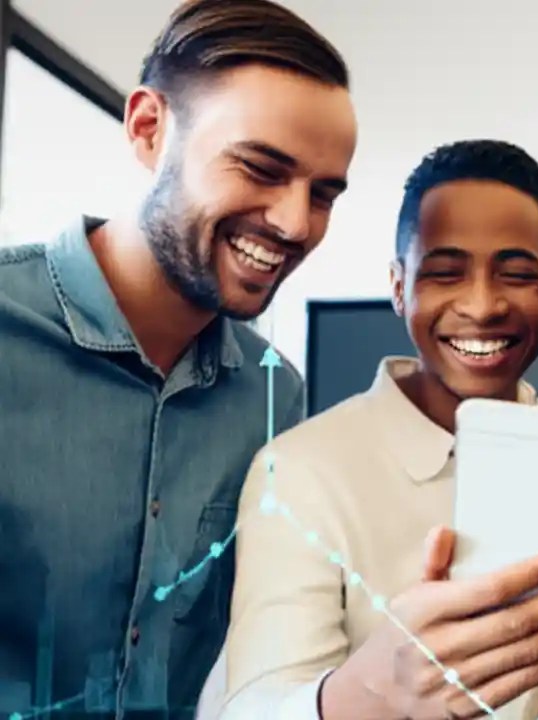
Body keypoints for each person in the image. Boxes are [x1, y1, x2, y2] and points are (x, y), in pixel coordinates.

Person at [0, 0, 355, 717]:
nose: (294, 223)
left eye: (323, 193)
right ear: (148, 129)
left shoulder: (276, 395)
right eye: (260, 167)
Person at [217, 139, 538, 720]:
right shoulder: (302, 470)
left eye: (515, 273)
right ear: (399, 286)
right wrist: (377, 686)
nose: (482, 306)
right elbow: (253, 709)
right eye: (445, 273)